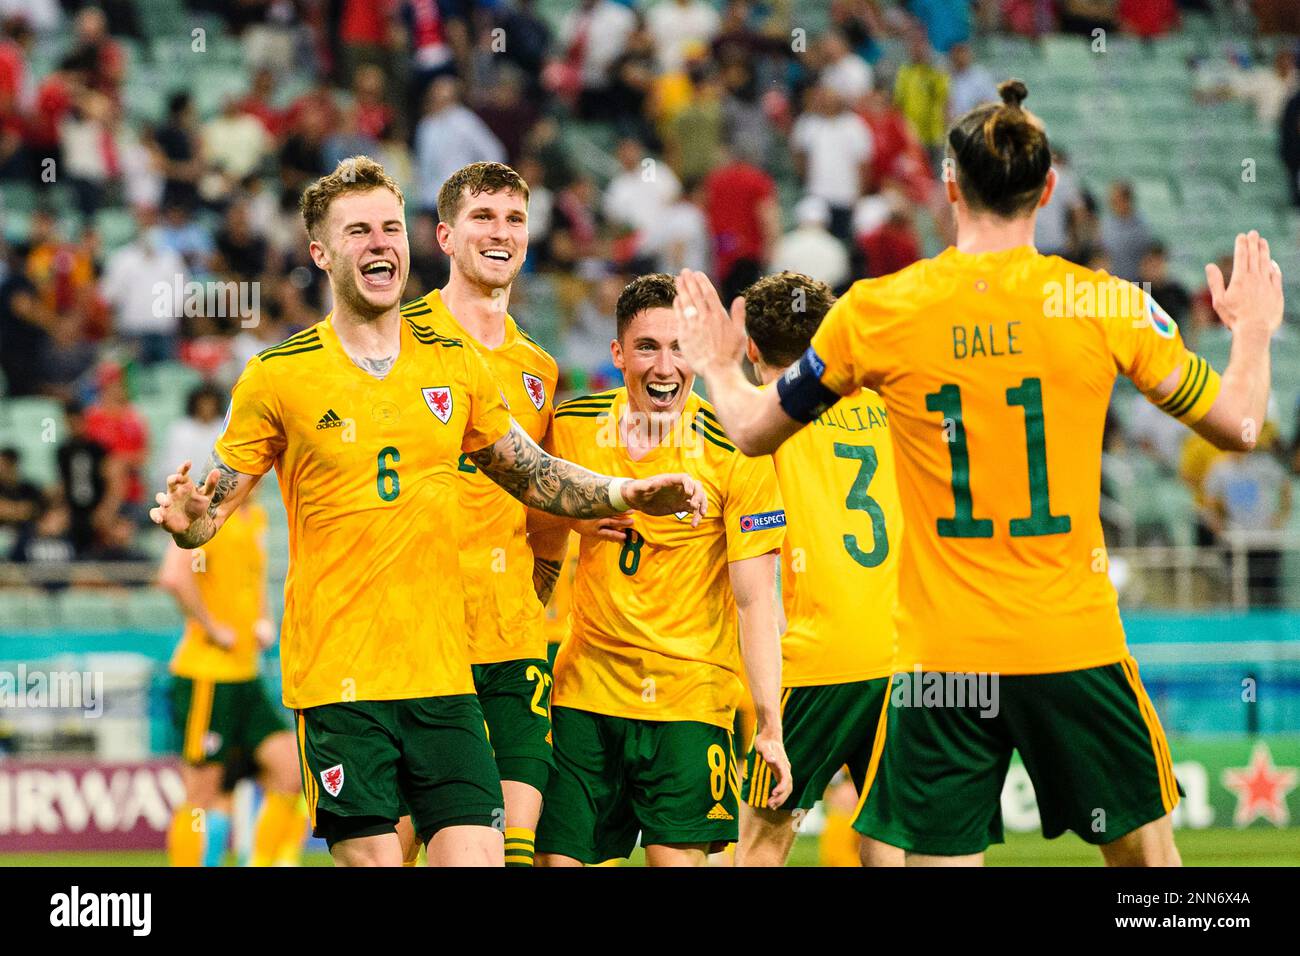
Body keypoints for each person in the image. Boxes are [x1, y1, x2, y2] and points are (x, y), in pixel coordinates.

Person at [676, 80, 1285, 866]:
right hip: (1072, 645)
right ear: (1050, 189)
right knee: (1156, 883)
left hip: (941, 667)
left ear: (949, 184)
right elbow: (1239, 425)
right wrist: (1256, 334)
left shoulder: (878, 310)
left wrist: (724, 369)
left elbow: (755, 433)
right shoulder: (1102, 303)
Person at [148, 156, 707, 868]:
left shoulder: (456, 365)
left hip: (445, 675)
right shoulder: (278, 376)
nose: (379, 242)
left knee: (485, 853)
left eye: (389, 227)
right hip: (341, 676)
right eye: (357, 231)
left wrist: (623, 492)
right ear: (321, 252)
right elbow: (210, 512)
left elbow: (533, 475)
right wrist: (191, 517)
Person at [533, 273, 791, 868]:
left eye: (679, 348)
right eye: (647, 347)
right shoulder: (570, 429)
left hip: (688, 701)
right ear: (618, 353)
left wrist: (769, 725)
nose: (664, 366)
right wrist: (577, 515)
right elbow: (520, 510)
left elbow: (755, 602)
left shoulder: (737, 450)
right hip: (584, 694)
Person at [395, 161, 564, 867]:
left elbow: (546, 506)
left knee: (513, 845)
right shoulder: (396, 342)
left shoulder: (538, 367)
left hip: (512, 636)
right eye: (484, 219)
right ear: (445, 236)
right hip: (414, 635)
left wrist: (536, 592)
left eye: (514, 219)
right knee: (399, 843)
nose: (502, 233)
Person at [730, 271, 904, 868]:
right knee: (886, 839)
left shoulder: (760, 424)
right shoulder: (887, 406)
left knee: (760, 838)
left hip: (818, 658)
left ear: (752, 347)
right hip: (903, 654)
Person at [159, 498, 307, 867]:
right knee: (202, 792)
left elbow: (251, 579)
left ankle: (260, 863)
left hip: (246, 674)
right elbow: (173, 576)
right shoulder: (204, 517)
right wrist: (211, 627)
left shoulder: (255, 514)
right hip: (208, 676)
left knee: (290, 768)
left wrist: (263, 618)